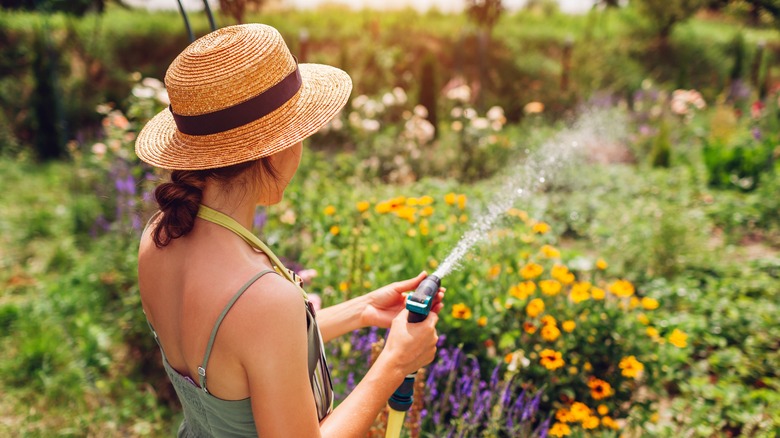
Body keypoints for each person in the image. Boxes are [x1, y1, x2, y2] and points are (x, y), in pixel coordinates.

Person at [134, 23, 444, 437]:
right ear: (275, 147)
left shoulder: (159, 237)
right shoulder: (261, 297)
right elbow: (257, 324)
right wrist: (394, 364)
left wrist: (362, 310)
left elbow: (245, 352)